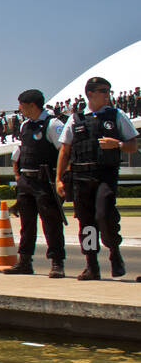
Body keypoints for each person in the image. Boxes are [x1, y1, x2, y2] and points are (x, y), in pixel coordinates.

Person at [57, 76, 137, 280]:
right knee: (87, 224)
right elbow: (65, 151)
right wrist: (58, 179)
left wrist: (117, 144)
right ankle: (91, 265)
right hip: (81, 176)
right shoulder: (75, 119)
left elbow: (133, 145)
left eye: (109, 91)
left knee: (104, 215)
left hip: (104, 175)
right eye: (103, 91)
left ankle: (114, 252)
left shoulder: (116, 115)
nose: (108, 94)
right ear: (90, 93)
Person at [7, 88, 66, 278]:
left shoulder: (52, 124)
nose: (19, 109)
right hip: (26, 180)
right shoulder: (25, 126)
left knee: (51, 223)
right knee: (27, 223)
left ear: (32, 105)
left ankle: (57, 262)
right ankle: (24, 261)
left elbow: (64, 153)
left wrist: (60, 179)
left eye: (21, 105)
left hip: (45, 181)